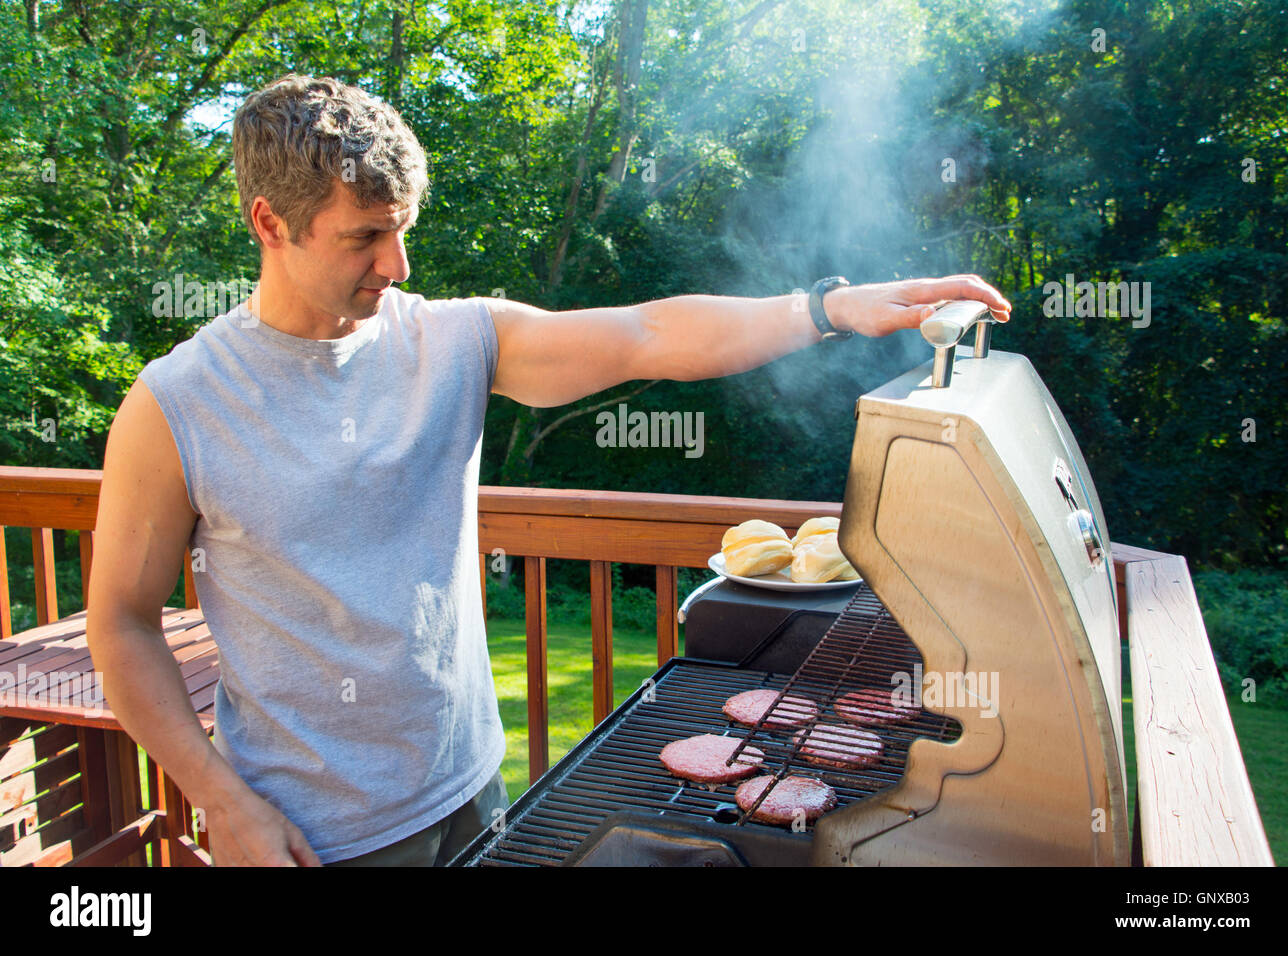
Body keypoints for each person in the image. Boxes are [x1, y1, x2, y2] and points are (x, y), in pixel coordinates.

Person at [85, 74, 1011, 867]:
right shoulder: (177, 404)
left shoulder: (451, 342)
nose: (397, 264)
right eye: (364, 236)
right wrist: (217, 794)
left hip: (473, 788)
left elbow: (648, 332)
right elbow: (122, 624)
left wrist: (830, 307)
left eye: (403, 230)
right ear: (269, 222)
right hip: (308, 834)